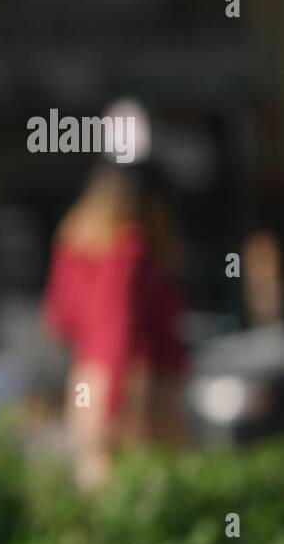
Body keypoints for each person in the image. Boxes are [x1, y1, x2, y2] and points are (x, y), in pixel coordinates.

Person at [42, 162, 187, 491]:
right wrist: (113, 402)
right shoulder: (133, 249)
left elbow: (58, 318)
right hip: (137, 377)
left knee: (93, 478)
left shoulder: (74, 241)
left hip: (87, 374)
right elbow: (119, 323)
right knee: (150, 484)